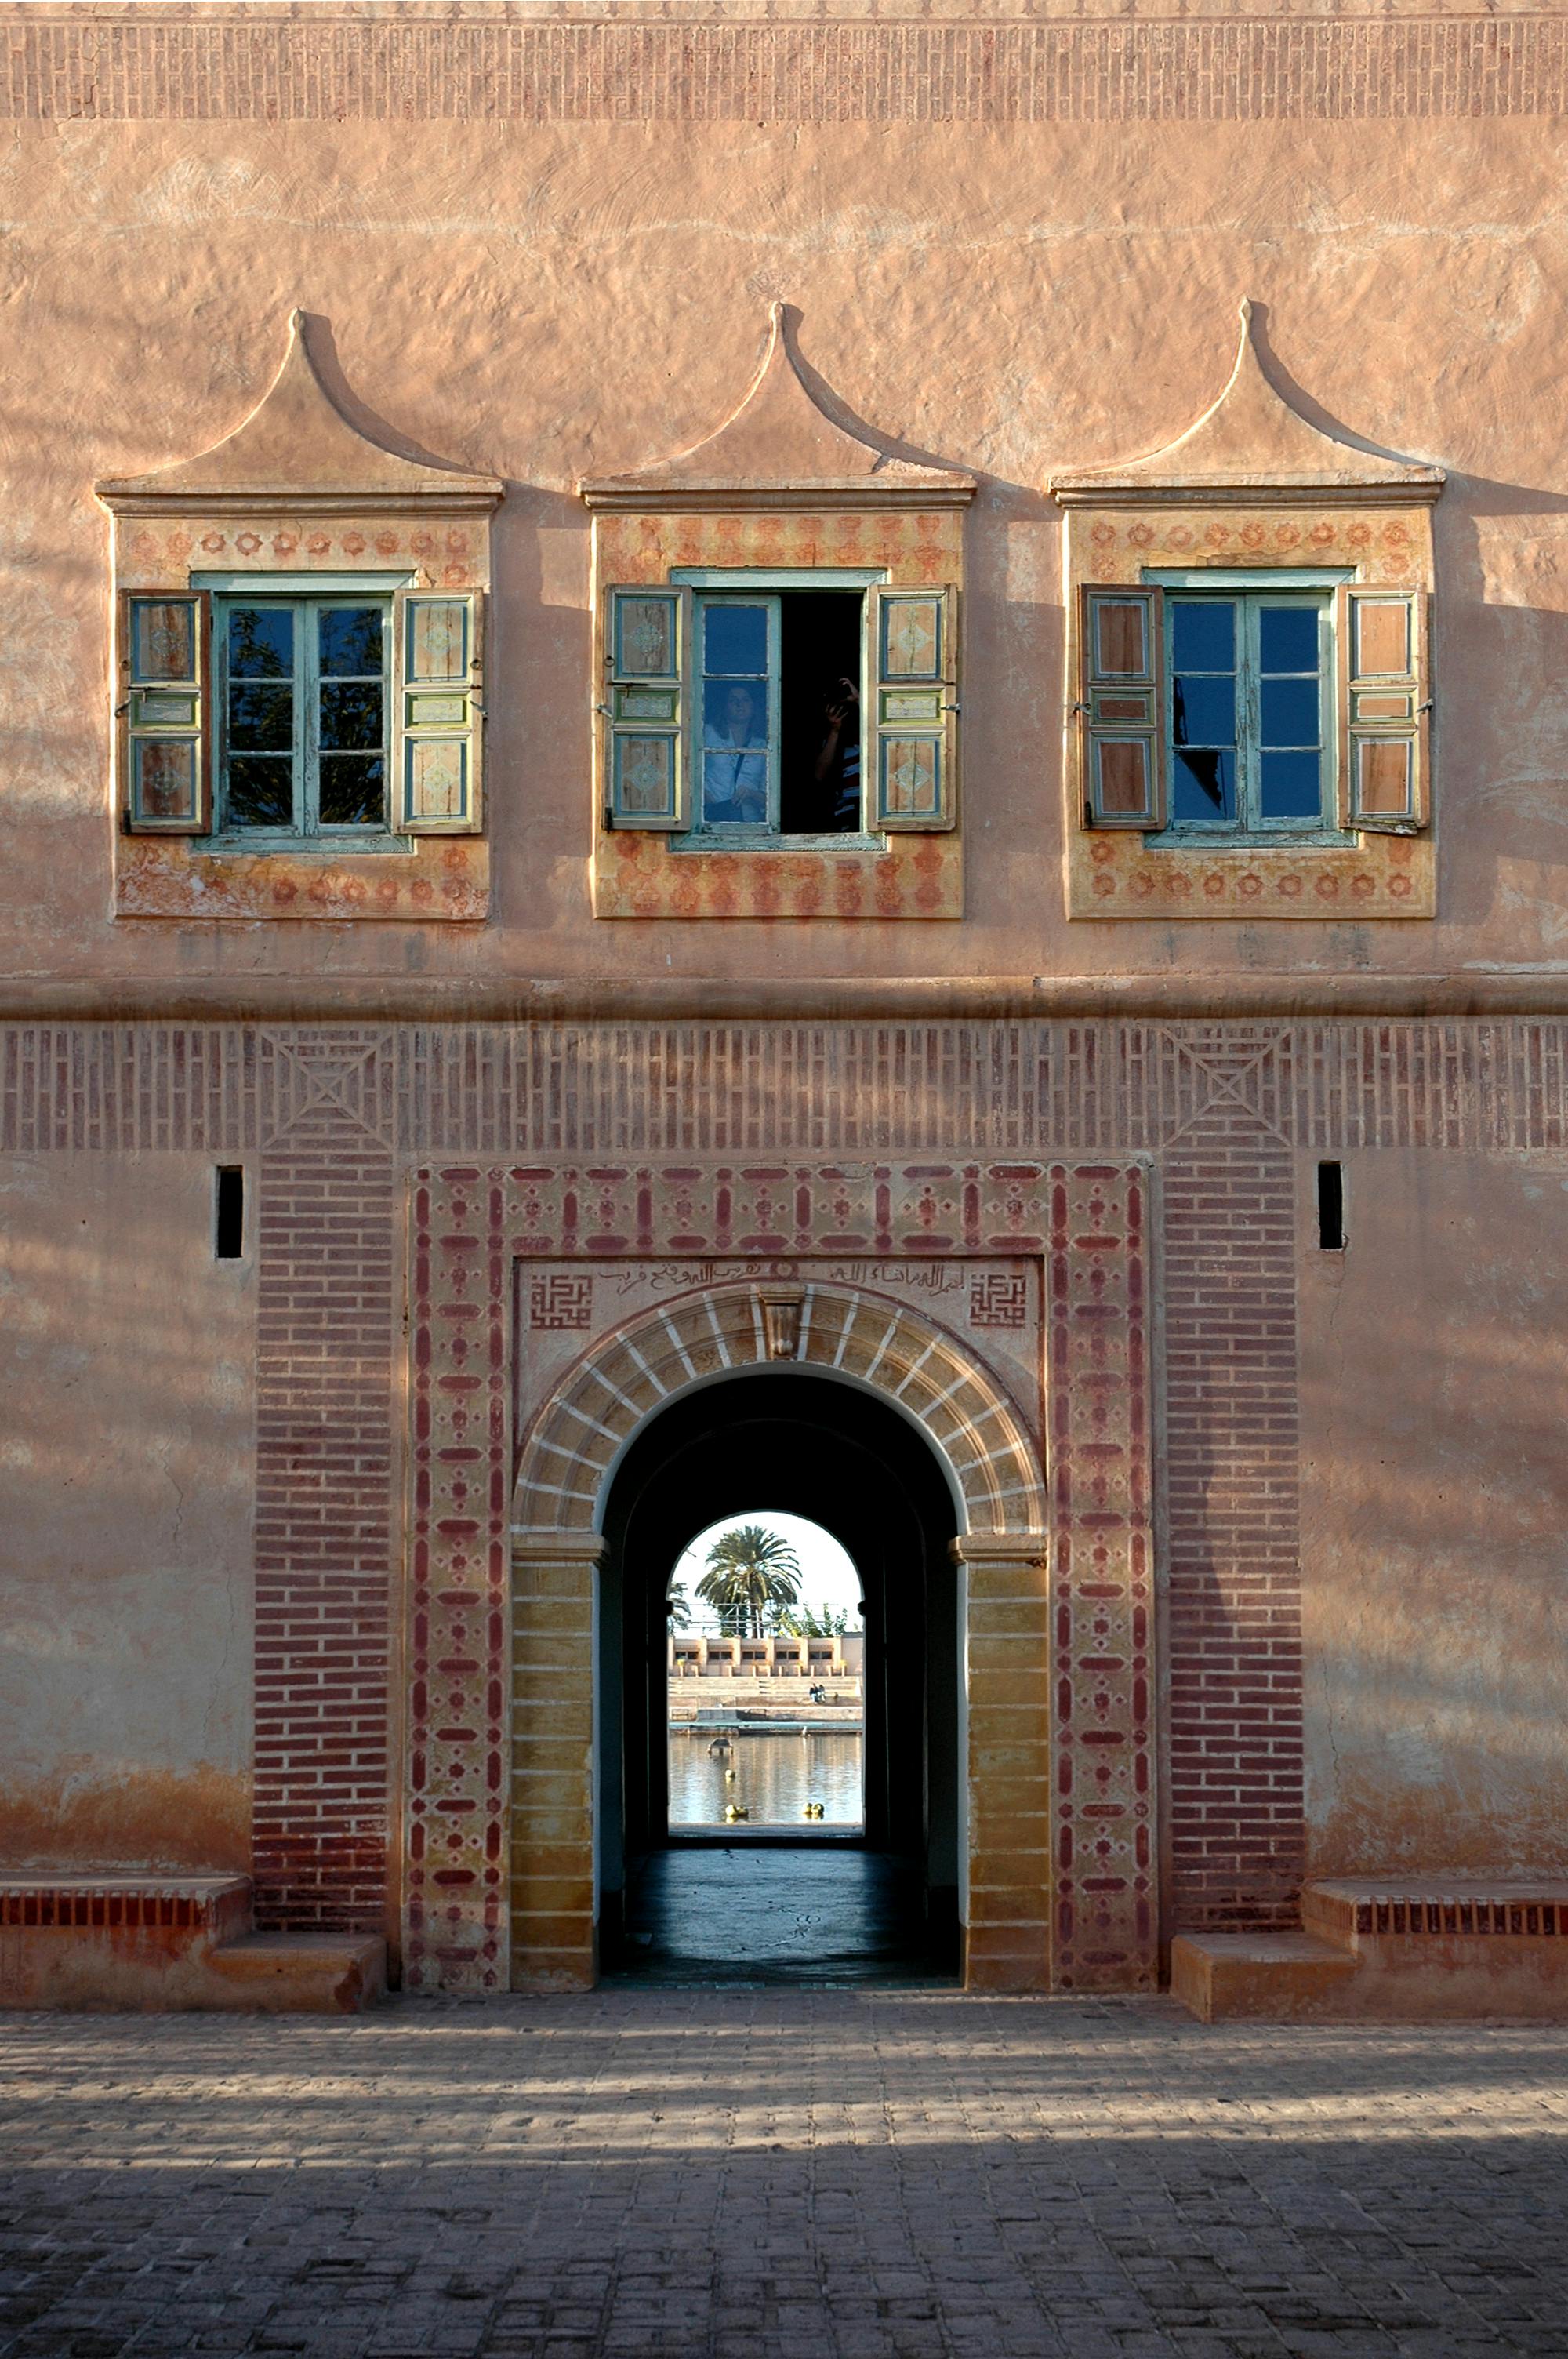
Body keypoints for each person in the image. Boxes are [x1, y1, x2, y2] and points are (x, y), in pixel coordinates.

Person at [702, 682, 768, 826]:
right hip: (711, 817)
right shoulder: (708, 734)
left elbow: (770, 796)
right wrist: (704, 795)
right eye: (733, 700)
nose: (740, 705)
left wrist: (751, 794)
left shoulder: (762, 746)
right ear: (724, 706)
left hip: (749, 822)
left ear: (753, 706)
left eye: (746, 700)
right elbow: (688, 773)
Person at [812, 676, 862, 830]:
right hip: (847, 808)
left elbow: (879, 725)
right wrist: (835, 730)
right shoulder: (831, 745)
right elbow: (820, 775)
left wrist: (859, 700)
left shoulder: (873, 738)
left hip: (875, 804)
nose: (842, 711)